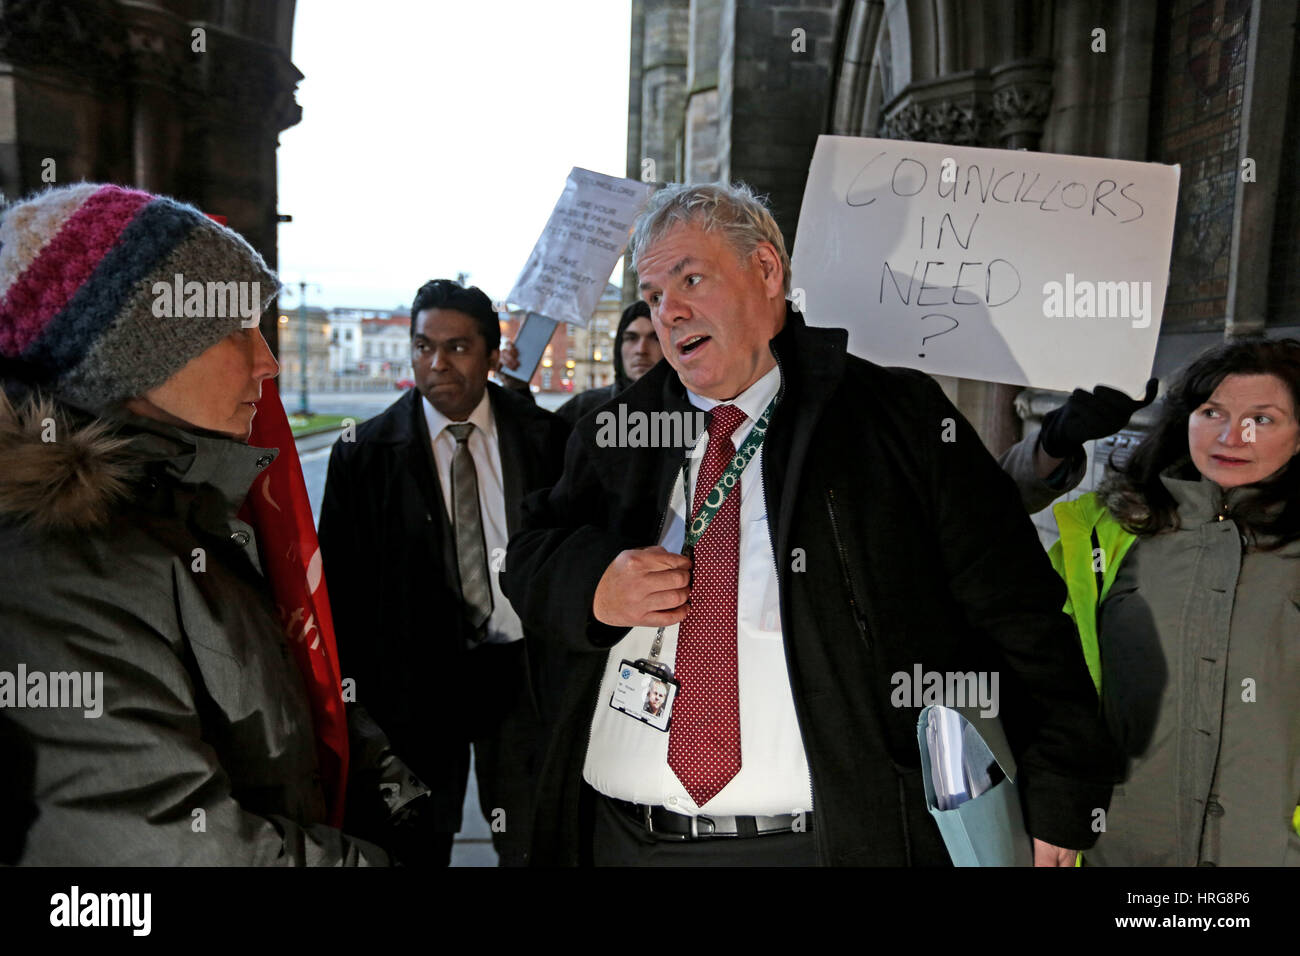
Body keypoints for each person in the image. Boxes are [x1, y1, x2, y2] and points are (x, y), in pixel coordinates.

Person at [502, 182, 1119, 867]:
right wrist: (595, 587)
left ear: (766, 270)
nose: (668, 312)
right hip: (623, 842)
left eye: (691, 279)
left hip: (829, 844)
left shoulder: (897, 420)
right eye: (651, 295)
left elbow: (1020, 611)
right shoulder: (613, 432)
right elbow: (528, 558)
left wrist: (1064, 790)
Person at [0, 182, 398, 864]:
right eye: (236, 330)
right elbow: (168, 842)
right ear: (130, 357)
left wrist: (386, 785)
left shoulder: (182, 507)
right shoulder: (58, 563)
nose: (267, 363)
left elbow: (273, 693)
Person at [318, 278, 570, 866]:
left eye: (457, 347)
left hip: (525, 674)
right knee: (414, 844)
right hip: (418, 685)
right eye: (423, 346)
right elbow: (342, 590)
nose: (437, 363)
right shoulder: (365, 450)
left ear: (490, 353)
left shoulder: (545, 439)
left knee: (536, 838)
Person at [1048, 336, 1300, 866]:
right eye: (1212, 411)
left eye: (1264, 418)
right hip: (1120, 854)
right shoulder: (1103, 535)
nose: (1233, 435)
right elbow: (1044, 683)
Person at [556, 300, 663, 425]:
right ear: (619, 346)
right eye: (631, 338)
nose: (641, 350)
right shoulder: (584, 408)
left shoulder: (686, 408)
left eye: (655, 338)